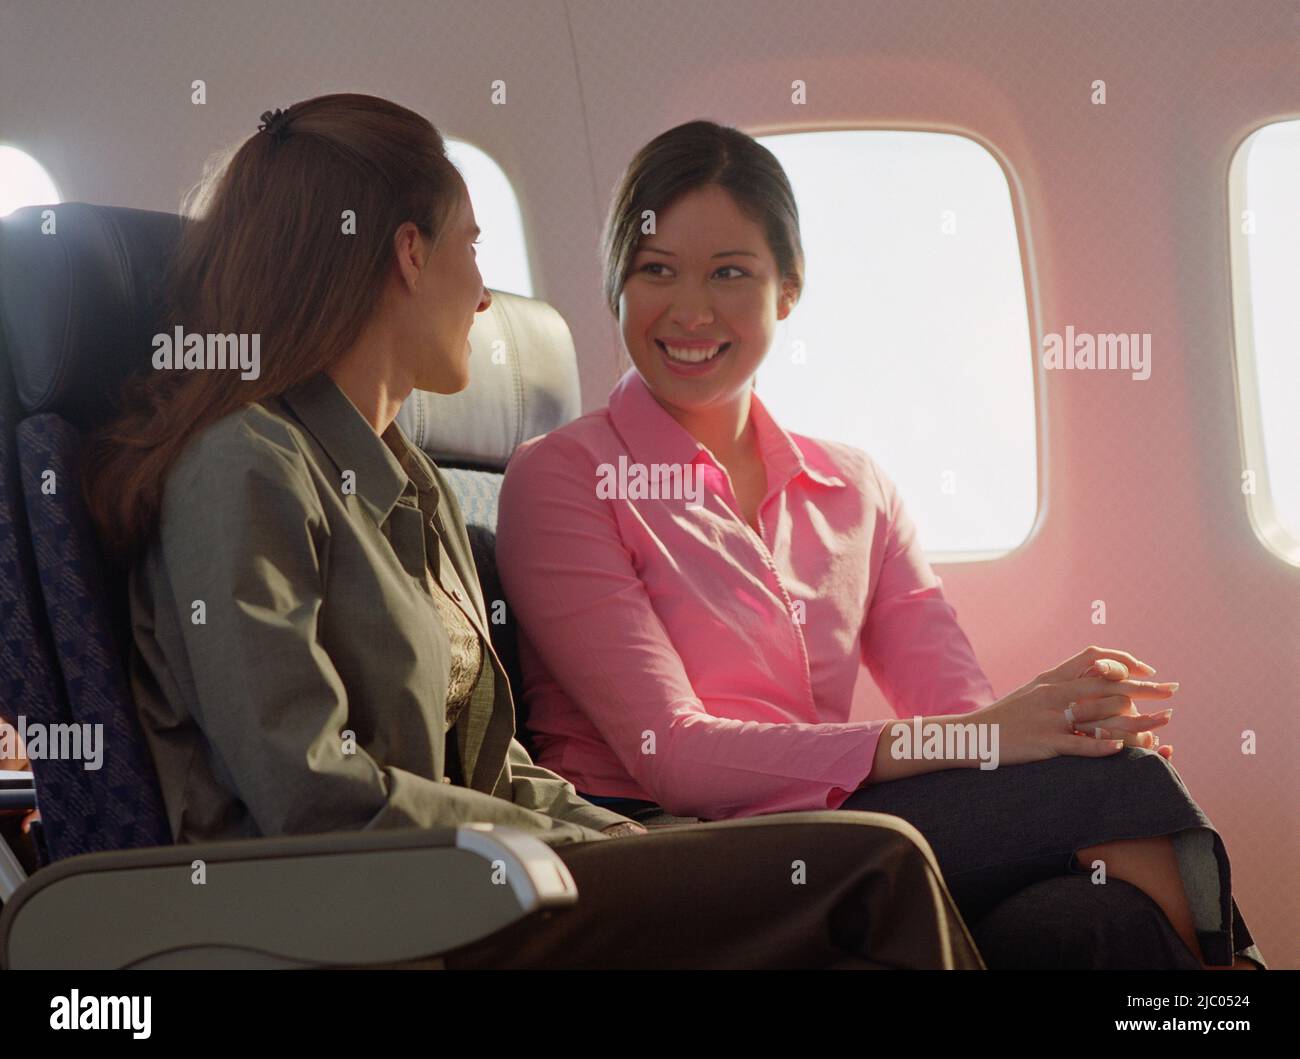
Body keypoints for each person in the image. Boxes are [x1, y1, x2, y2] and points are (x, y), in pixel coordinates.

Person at [79, 93, 985, 969]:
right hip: (357, 911)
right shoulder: (244, 468)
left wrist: (627, 839)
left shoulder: (414, 481)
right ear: (407, 254)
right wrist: (566, 847)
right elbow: (309, 794)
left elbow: (494, 769)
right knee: (875, 862)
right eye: (471, 247)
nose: (483, 295)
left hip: (477, 873)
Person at [494, 119, 1267, 970]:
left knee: (1090, 923)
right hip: (661, 840)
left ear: (787, 290)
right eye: (655, 271)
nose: (690, 309)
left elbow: (966, 714)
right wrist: (996, 742)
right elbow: (671, 753)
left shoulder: (854, 488)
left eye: (730, 273)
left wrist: (1056, 724)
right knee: (1111, 788)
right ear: (617, 287)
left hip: (820, 825)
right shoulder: (564, 476)